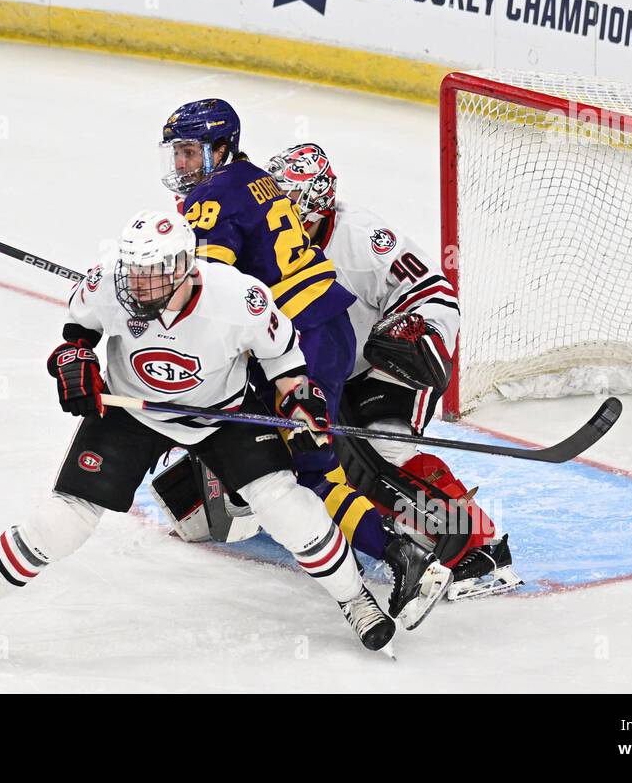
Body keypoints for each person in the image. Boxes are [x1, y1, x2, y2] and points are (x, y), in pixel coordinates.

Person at [0, 209, 450, 661]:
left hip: (223, 414)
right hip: (133, 411)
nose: (137, 284)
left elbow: (284, 362)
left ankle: (354, 599)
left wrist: (300, 400)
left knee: (287, 505)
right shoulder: (112, 281)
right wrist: (73, 359)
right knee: (65, 520)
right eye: (133, 271)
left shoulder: (241, 299)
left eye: (151, 275)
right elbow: (78, 330)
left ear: (182, 268)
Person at [157, 99, 452, 606]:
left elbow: (214, 289)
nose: (181, 165)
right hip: (326, 326)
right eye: (176, 154)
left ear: (220, 148)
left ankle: (403, 556)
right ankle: (391, 549)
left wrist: (159, 306)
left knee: (302, 473)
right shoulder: (253, 177)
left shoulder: (210, 198)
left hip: (300, 345)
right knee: (311, 464)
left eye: (190, 152)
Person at [266, 143, 520, 599]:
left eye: (289, 205)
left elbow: (433, 292)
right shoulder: (267, 246)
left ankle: (480, 547)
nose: (279, 217)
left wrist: (414, 331)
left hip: (395, 360)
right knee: (325, 454)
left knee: (385, 445)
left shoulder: (363, 238)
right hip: (330, 369)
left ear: (315, 200)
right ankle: (395, 531)